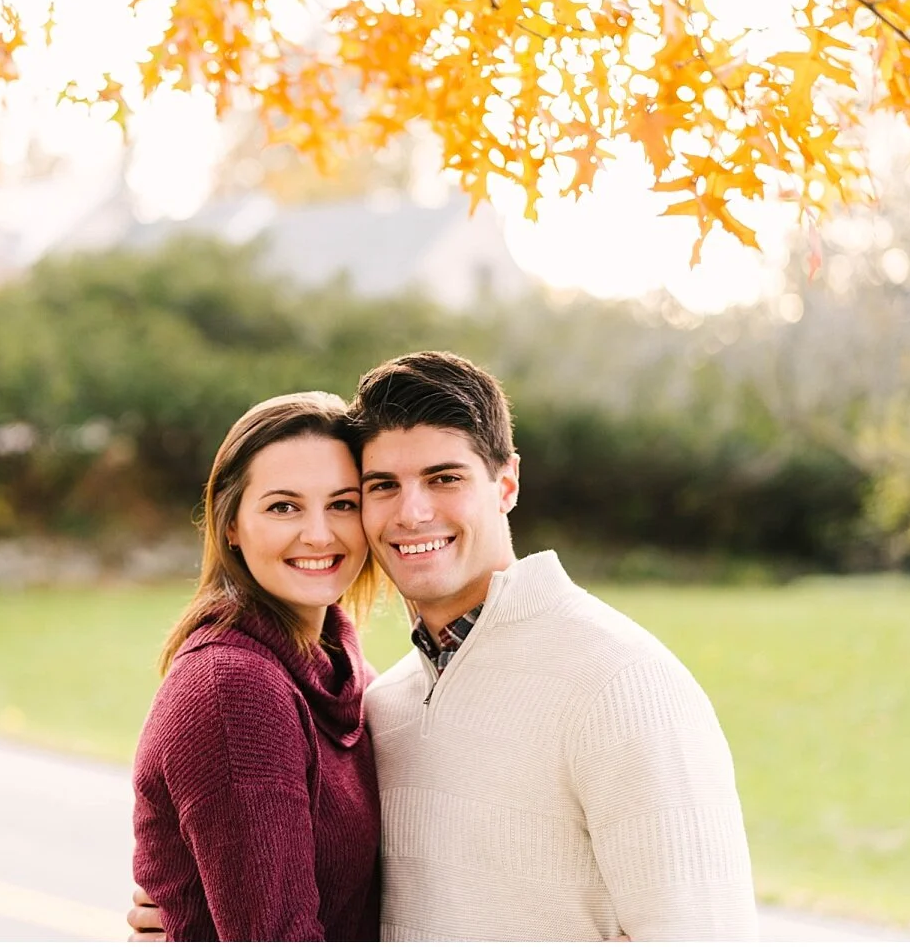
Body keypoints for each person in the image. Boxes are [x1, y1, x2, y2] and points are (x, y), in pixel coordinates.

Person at [131, 352, 757, 941]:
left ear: (506, 484)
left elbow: (703, 934)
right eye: (382, 485)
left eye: (444, 478)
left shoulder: (621, 682)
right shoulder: (387, 701)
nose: (412, 513)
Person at [130, 392, 384, 941]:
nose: (319, 534)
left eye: (342, 504)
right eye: (283, 507)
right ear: (231, 525)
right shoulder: (235, 689)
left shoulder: (349, 676)